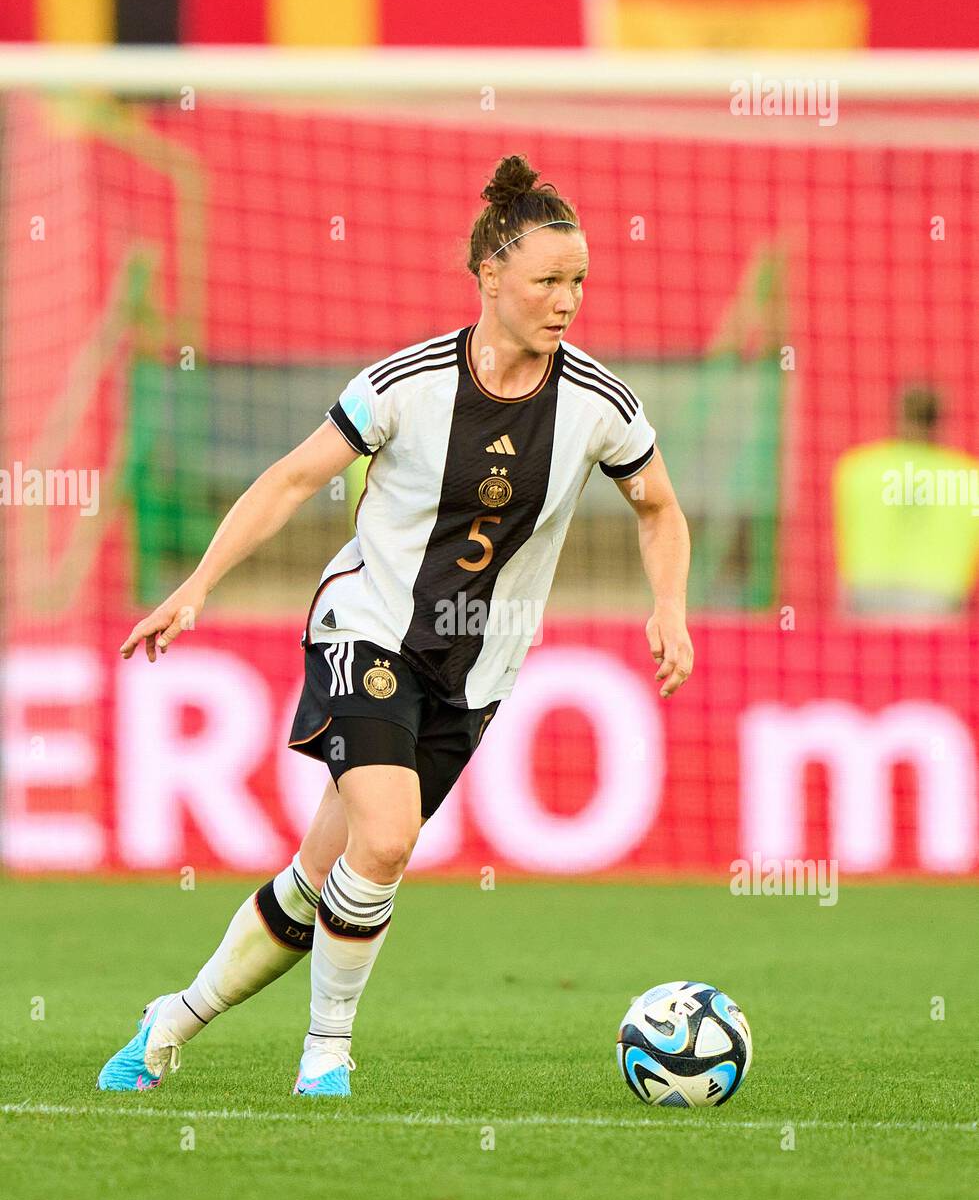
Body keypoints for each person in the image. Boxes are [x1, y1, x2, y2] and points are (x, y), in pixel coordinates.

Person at [97, 153, 694, 1098]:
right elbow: (293, 478)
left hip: (479, 670)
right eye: (547, 279)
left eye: (578, 280)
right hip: (366, 630)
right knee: (385, 837)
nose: (565, 300)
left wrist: (668, 603)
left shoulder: (599, 405)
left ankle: (170, 1021)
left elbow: (658, 508)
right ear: (490, 274)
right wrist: (197, 584)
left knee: (318, 880)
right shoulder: (405, 385)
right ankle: (326, 1054)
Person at [833, 385, 979, 615]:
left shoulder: (858, 468)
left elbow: (848, 529)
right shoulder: (967, 476)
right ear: (937, 421)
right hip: (937, 596)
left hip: (868, 591)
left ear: (898, 416)